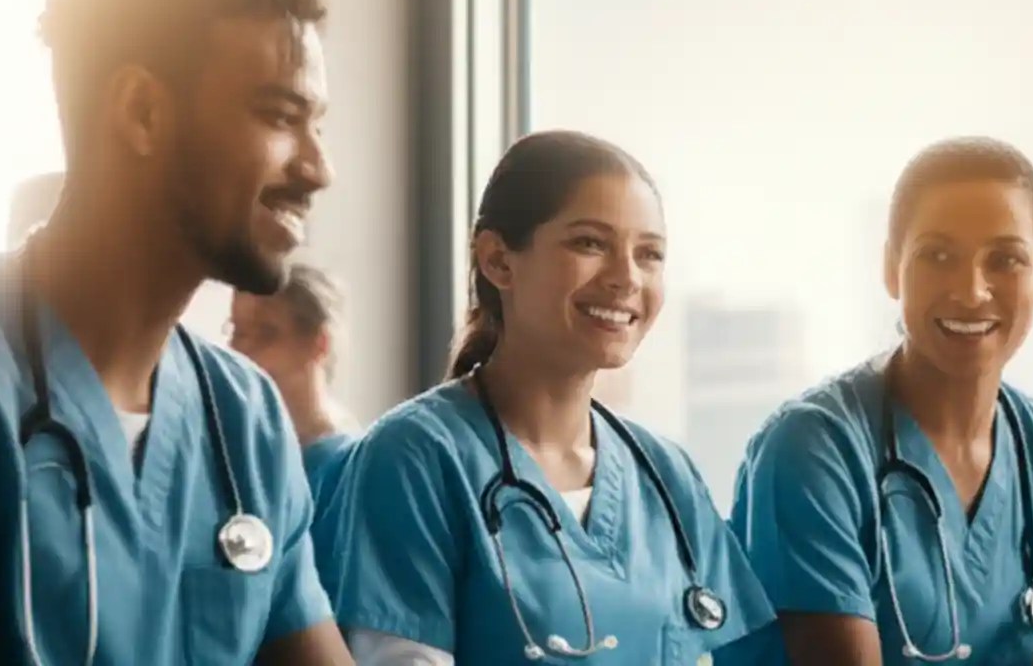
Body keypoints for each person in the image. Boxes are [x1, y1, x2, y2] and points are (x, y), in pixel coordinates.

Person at [0, 0, 353, 664]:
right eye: (281, 116)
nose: (319, 168)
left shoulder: (247, 421)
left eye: (319, 126)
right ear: (142, 112)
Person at [313, 130, 775, 664]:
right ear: (498, 260)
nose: (627, 277)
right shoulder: (417, 456)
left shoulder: (666, 476)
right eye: (590, 244)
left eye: (649, 254)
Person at [715, 136, 1033, 665]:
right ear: (890, 268)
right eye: (938, 256)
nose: (970, 291)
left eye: (1005, 259)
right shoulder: (812, 451)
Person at [228, 262, 361, 507]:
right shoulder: (234, 453)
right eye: (238, 332)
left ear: (319, 344)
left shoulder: (347, 468)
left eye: (265, 333)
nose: (240, 352)